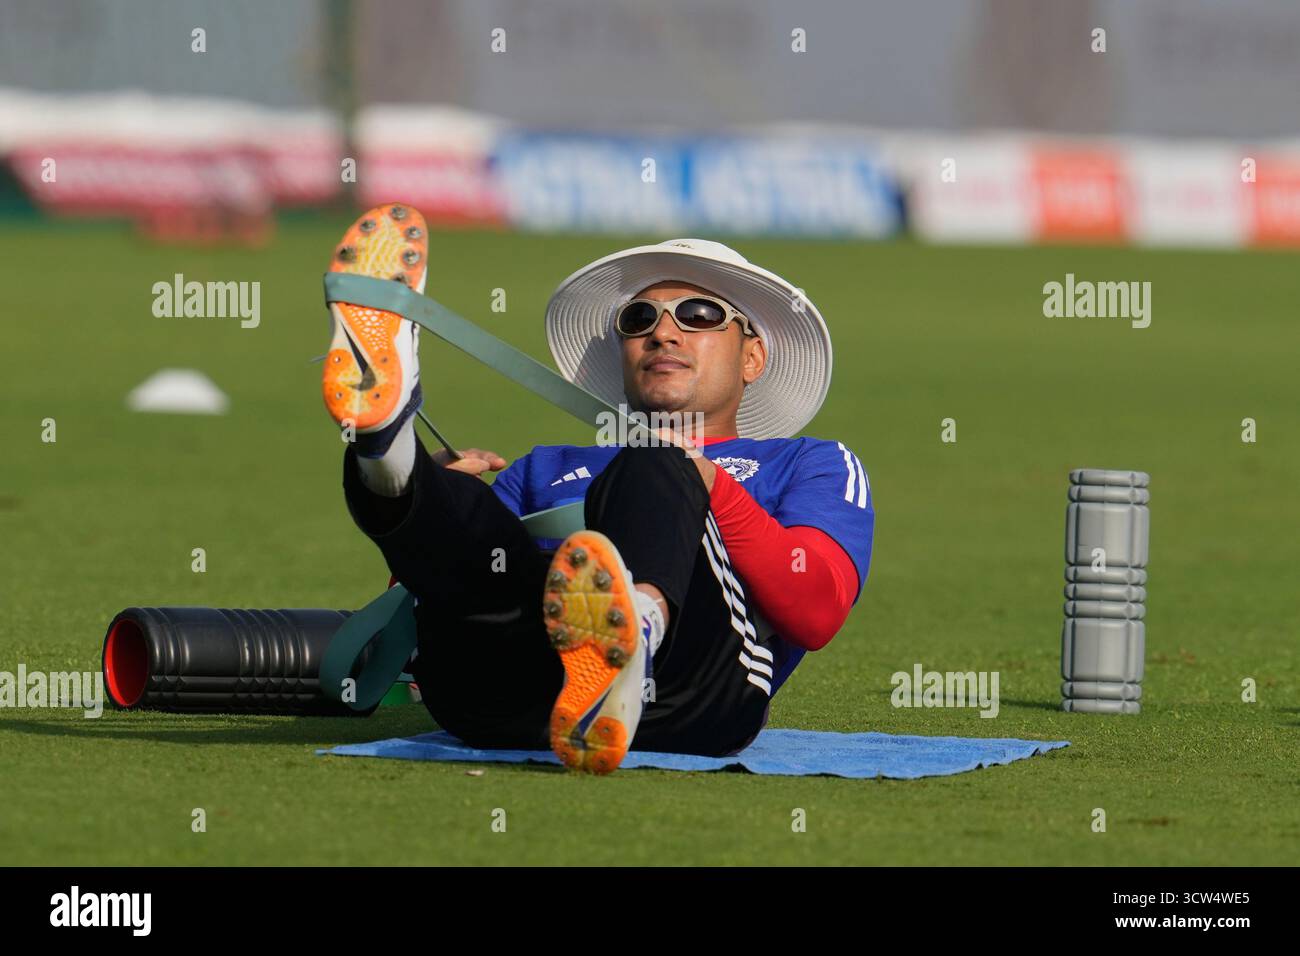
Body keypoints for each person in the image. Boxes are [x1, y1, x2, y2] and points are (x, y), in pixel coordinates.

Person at [322, 203, 874, 774]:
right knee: (461, 497)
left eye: (699, 314)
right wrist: (434, 501)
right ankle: (387, 456)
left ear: (752, 355)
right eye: (639, 319)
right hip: (496, 700)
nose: (662, 332)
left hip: (692, 702)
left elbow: (818, 608)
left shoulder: (810, 462)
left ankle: (633, 636)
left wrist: (709, 484)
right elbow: (429, 601)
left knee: (656, 459)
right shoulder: (545, 466)